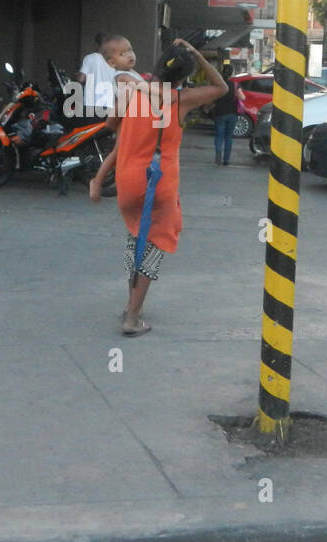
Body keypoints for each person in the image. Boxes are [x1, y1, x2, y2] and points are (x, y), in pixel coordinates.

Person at [89, 37, 226, 336]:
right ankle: (133, 318)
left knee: (135, 240)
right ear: (185, 77)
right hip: (158, 185)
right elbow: (221, 88)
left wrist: (98, 180)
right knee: (154, 248)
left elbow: (114, 132)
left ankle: (130, 304)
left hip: (127, 183)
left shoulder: (131, 93)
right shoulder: (180, 100)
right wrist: (198, 55)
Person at [78, 32, 117, 117]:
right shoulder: (113, 62)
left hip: (91, 105)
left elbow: (81, 79)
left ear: (96, 44)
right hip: (108, 106)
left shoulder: (89, 58)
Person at [211, 74, 246, 165]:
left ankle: (218, 159)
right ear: (231, 74)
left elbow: (212, 97)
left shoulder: (218, 84)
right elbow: (243, 97)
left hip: (220, 113)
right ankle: (226, 160)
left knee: (219, 136)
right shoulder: (235, 85)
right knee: (229, 137)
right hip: (232, 113)